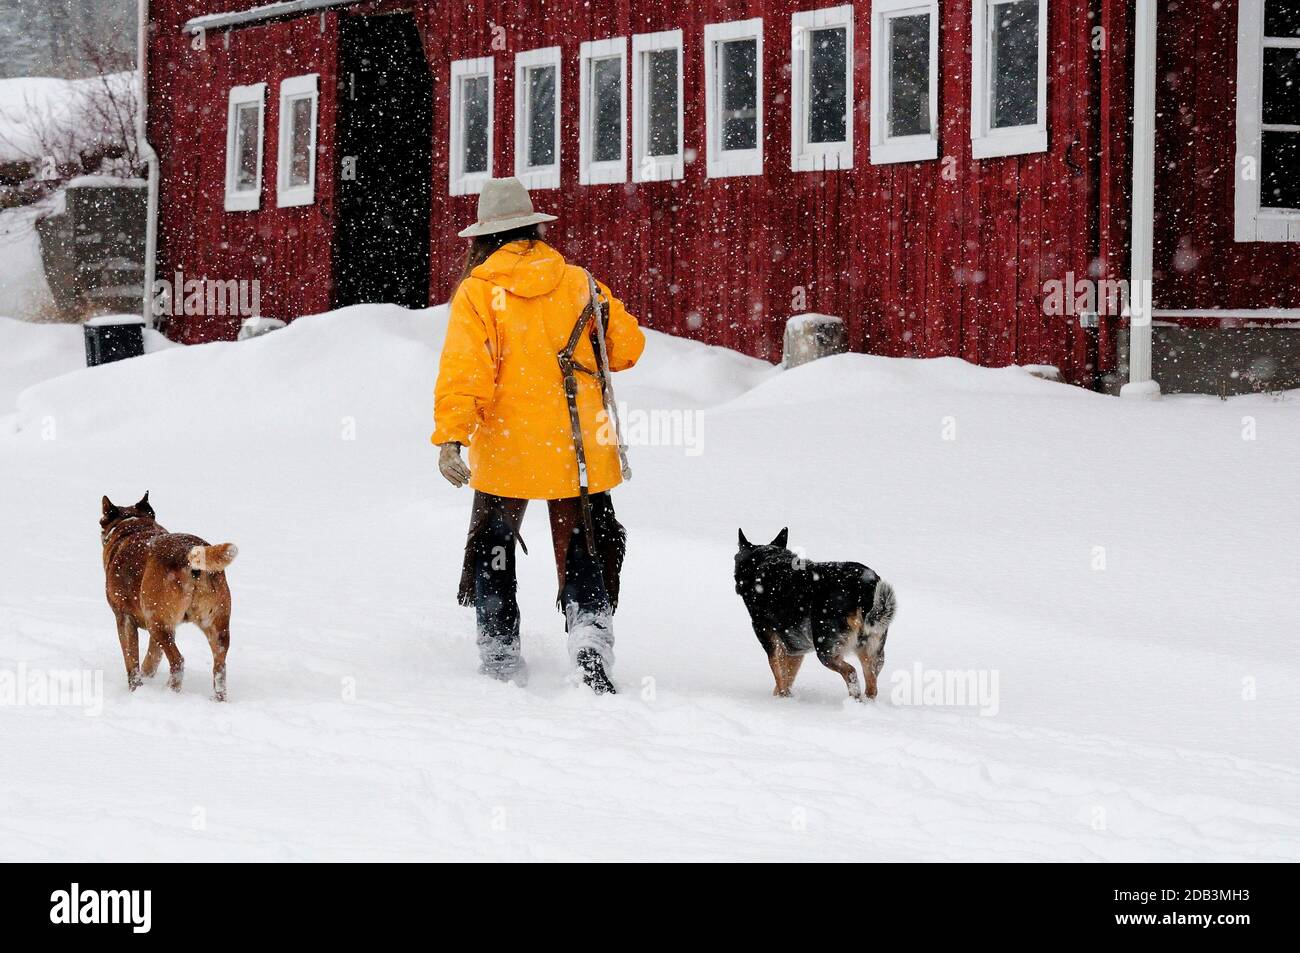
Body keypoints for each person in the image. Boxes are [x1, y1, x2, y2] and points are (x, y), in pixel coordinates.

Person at [432, 177, 645, 693]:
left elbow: (467, 371)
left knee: (495, 548)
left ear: (484, 237)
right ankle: (590, 641)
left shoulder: (480, 292)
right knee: (583, 546)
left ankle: (500, 653)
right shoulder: (579, 282)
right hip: (577, 446)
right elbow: (627, 349)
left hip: (509, 449)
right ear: (535, 228)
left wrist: (450, 438)